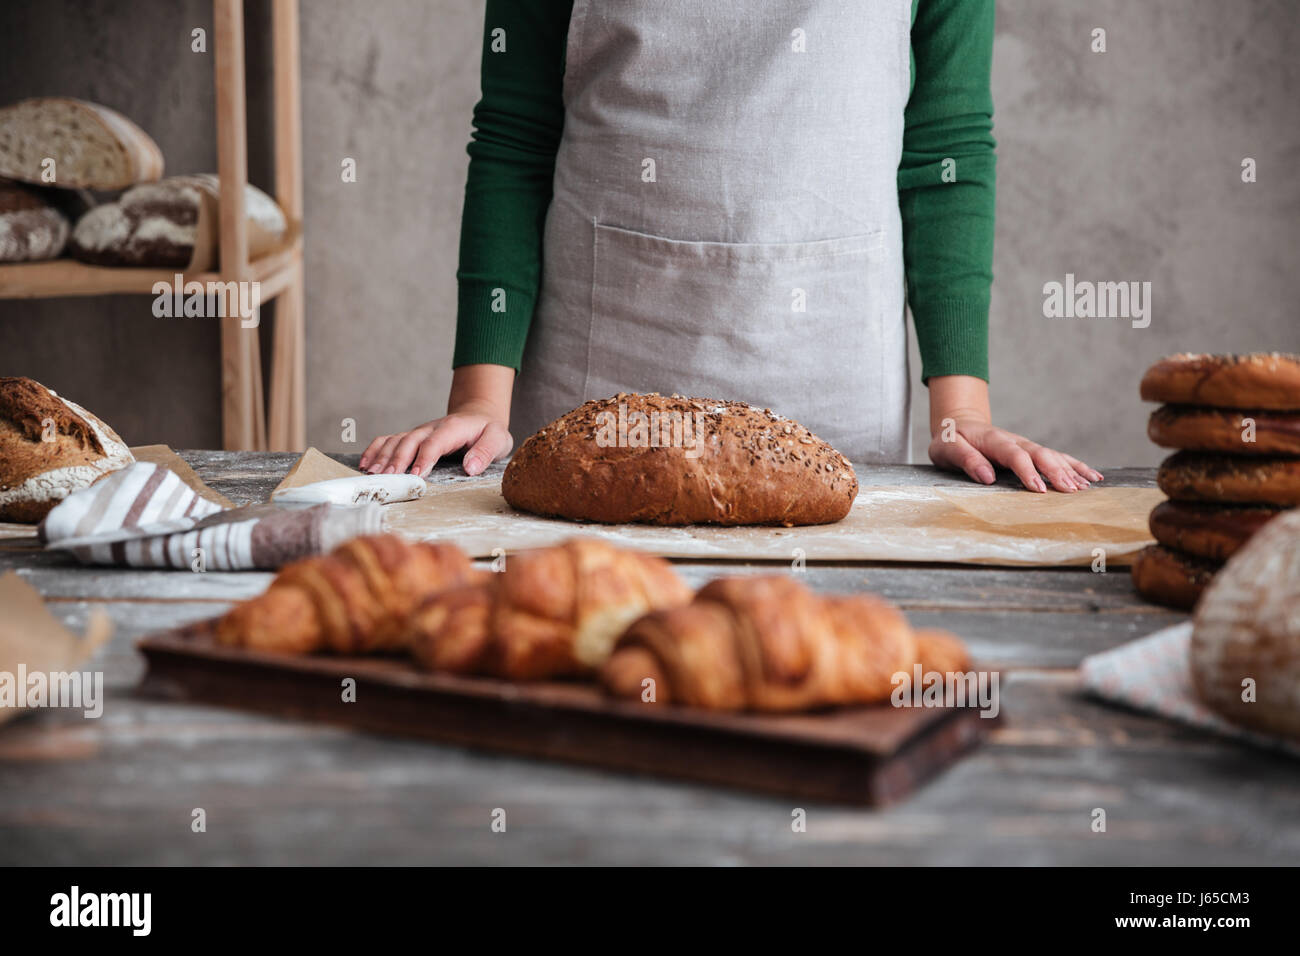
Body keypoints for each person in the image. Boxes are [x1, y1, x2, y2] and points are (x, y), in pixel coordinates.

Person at [362, 0, 1102, 493]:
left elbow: (946, 149)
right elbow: (516, 136)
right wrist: (480, 398)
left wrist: (962, 411)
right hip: (600, 372)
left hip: (833, 385)